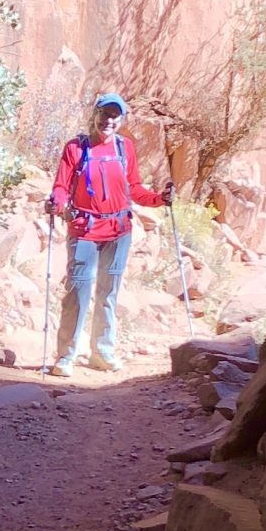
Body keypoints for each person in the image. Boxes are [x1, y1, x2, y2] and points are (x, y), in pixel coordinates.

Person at [45, 91, 170, 375]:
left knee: (108, 293)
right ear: (95, 114)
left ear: (121, 119)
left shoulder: (125, 148)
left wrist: (159, 199)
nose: (109, 120)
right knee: (78, 292)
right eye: (105, 114)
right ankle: (66, 356)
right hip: (85, 229)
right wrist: (57, 203)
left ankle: (102, 352)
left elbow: (134, 189)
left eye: (115, 116)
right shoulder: (75, 149)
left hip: (118, 230)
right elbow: (61, 187)